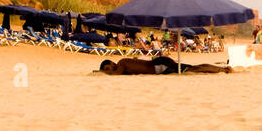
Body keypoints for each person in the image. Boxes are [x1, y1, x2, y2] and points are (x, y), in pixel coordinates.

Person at [99, 57, 231, 74]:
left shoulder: (121, 63)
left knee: (193, 69)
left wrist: (102, 73)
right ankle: (221, 68)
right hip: (158, 64)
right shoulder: (124, 63)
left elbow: (116, 74)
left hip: (159, 66)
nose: (109, 70)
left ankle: (223, 69)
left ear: (111, 63)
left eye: (107, 68)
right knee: (194, 67)